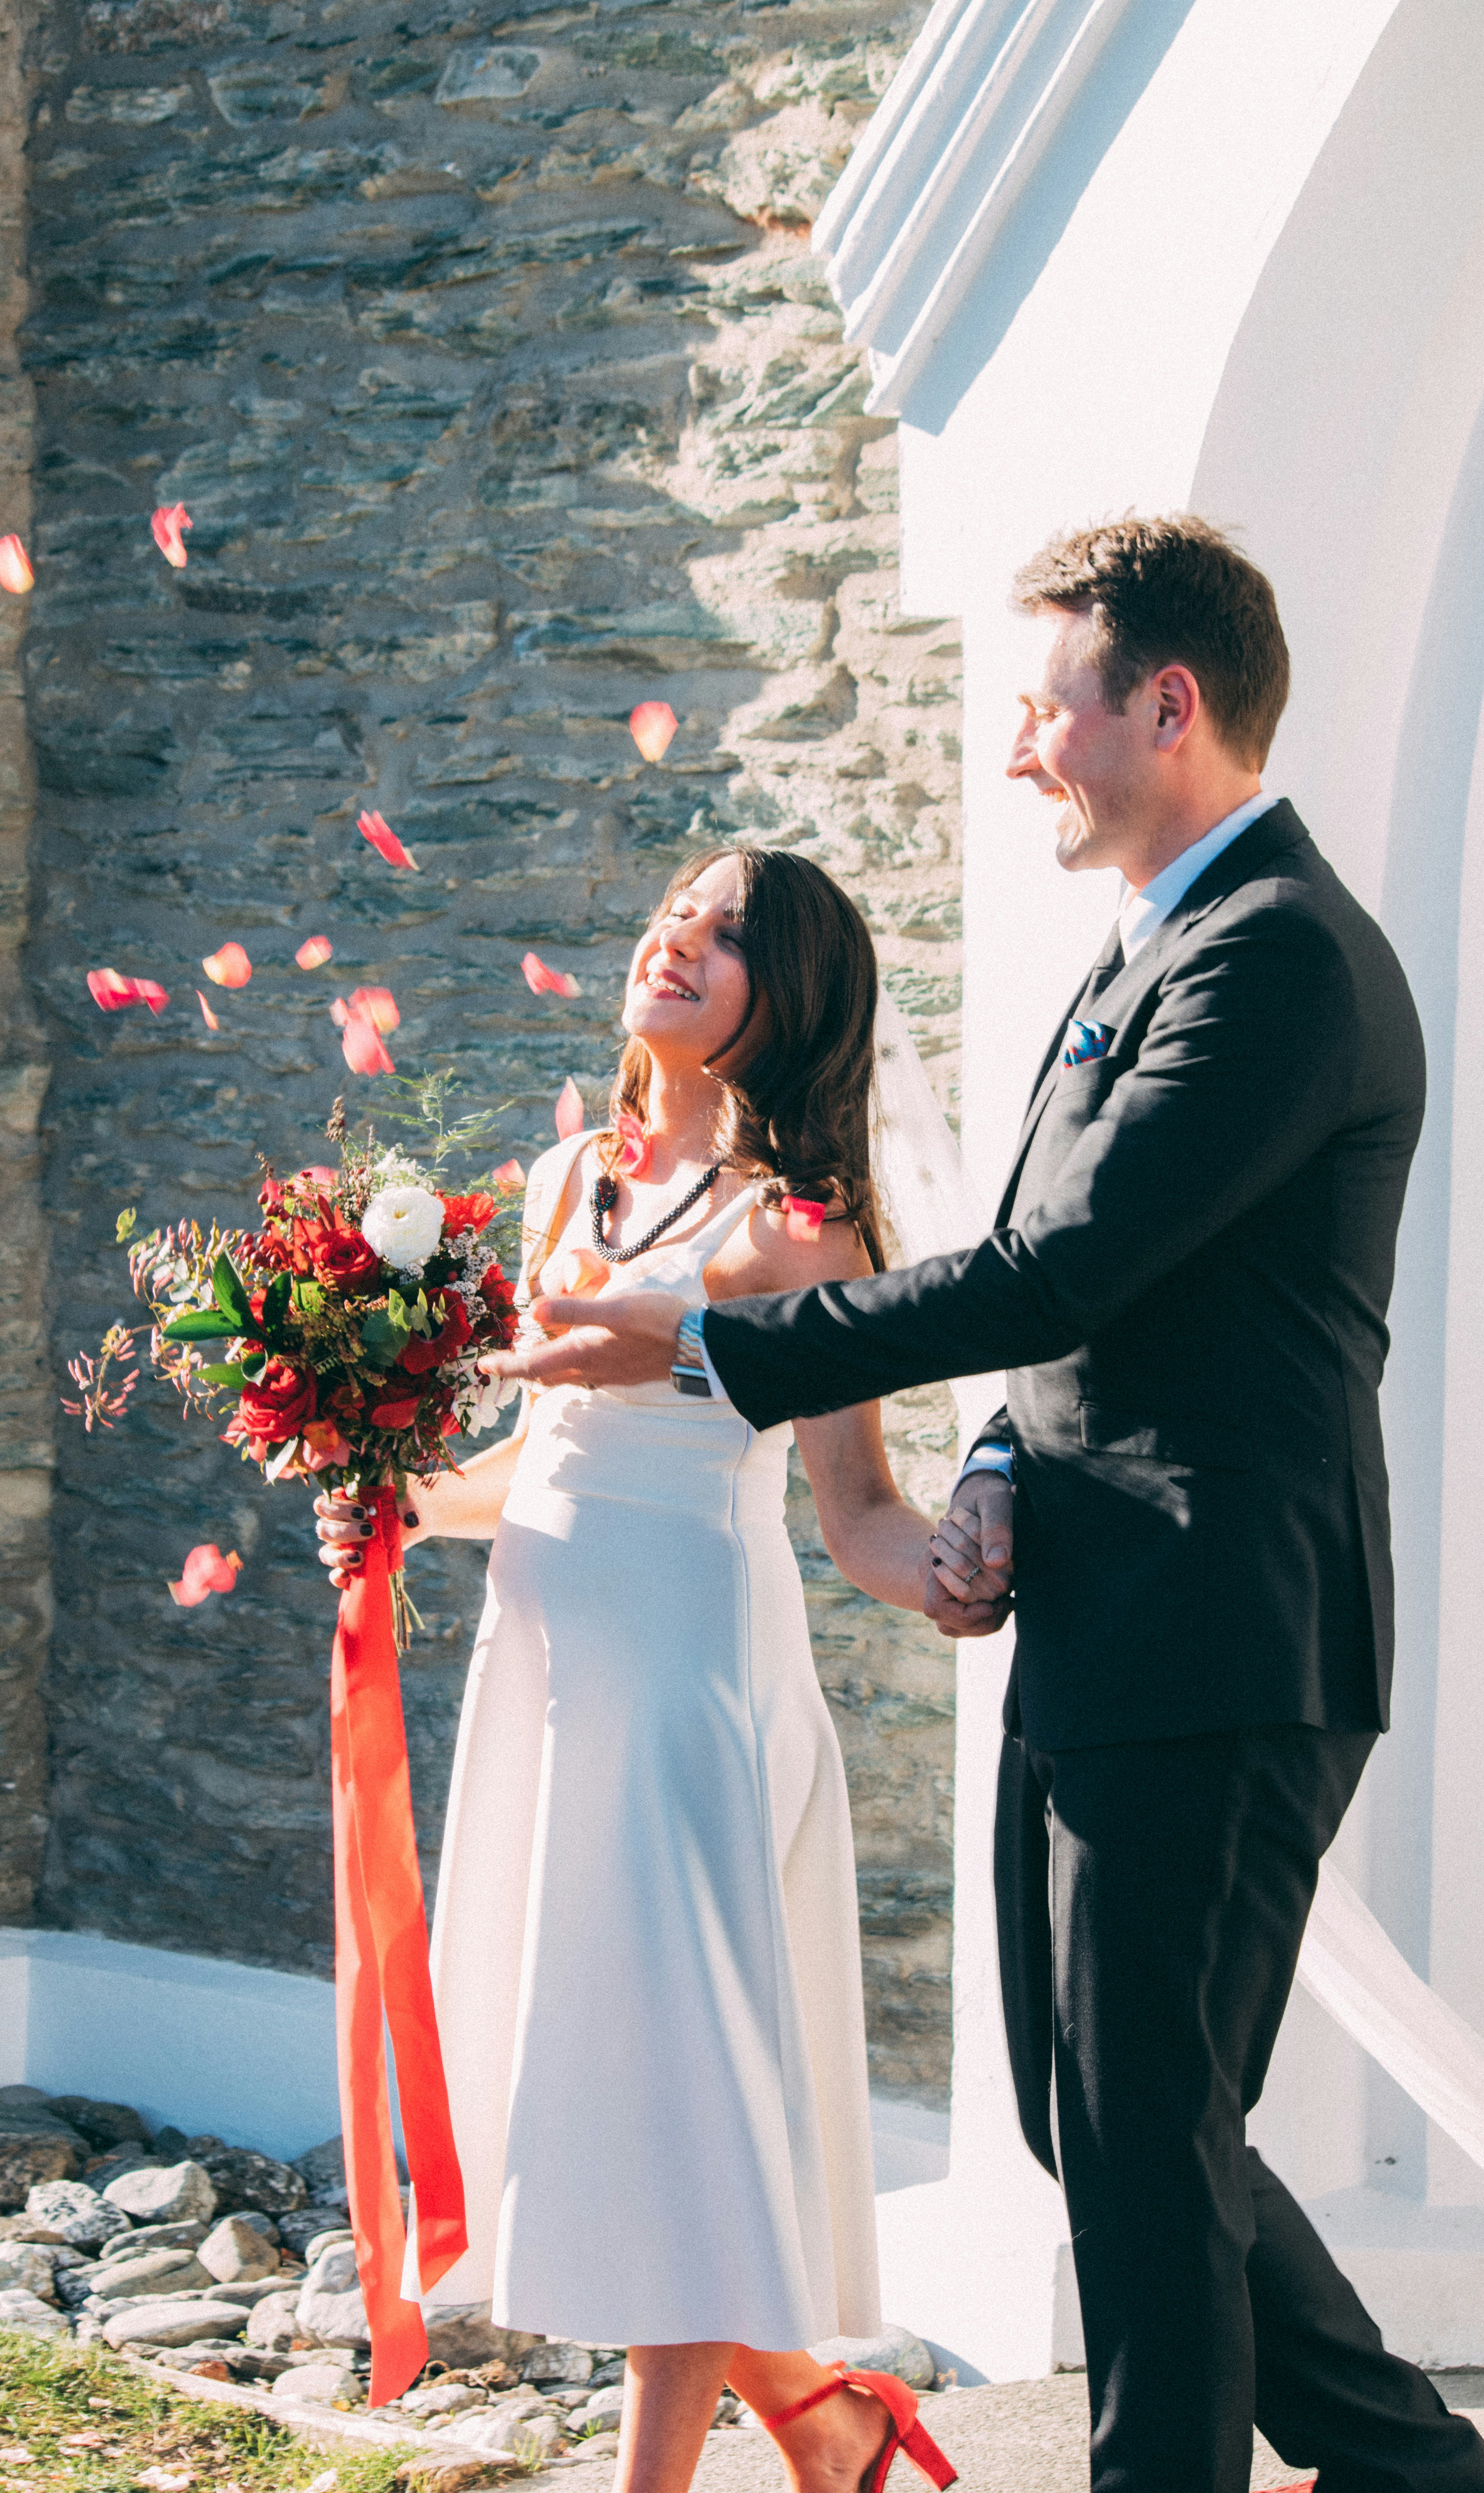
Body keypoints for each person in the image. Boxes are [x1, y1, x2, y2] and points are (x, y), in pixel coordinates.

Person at [492, 518, 1484, 2493]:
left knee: (1134, 2131)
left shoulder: (1278, 958)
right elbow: (1081, 1303)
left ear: (1165, 707)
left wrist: (705, 1348)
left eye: (1046, 708)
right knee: (1103, 2115)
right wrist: (1008, 1466)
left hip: (1227, 1624)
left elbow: (1062, 1271)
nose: (1024, 748)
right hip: (1113, 1614)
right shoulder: (1157, 950)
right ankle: (1409, 2464)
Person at [315, 849, 970, 2493]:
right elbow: (535, 1464)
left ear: (790, 999)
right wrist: (381, 1495)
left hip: (692, 1694)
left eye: (733, 930)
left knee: (679, 2107)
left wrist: (963, 1571)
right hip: (547, 1690)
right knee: (603, 2093)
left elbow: (860, 1512)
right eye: (680, 904)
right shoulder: (555, 1185)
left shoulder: (794, 1228)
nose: (682, 932)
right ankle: (823, 2422)